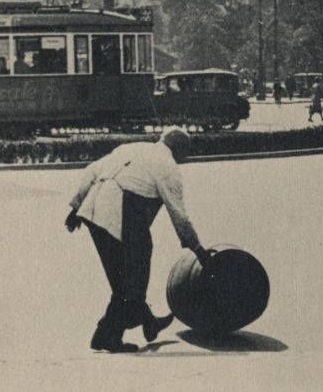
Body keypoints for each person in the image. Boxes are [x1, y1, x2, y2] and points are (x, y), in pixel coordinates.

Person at [65, 127, 213, 353]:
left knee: (123, 279)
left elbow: (91, 171)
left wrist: (75, 207)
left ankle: (146, 321)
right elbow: (178, 214)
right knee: (132, 279)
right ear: (180, 149)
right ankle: (108, 336)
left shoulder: (132, 147)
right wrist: (198, 249)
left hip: (93, 210)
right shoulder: (168, 167)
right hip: (120, 212)